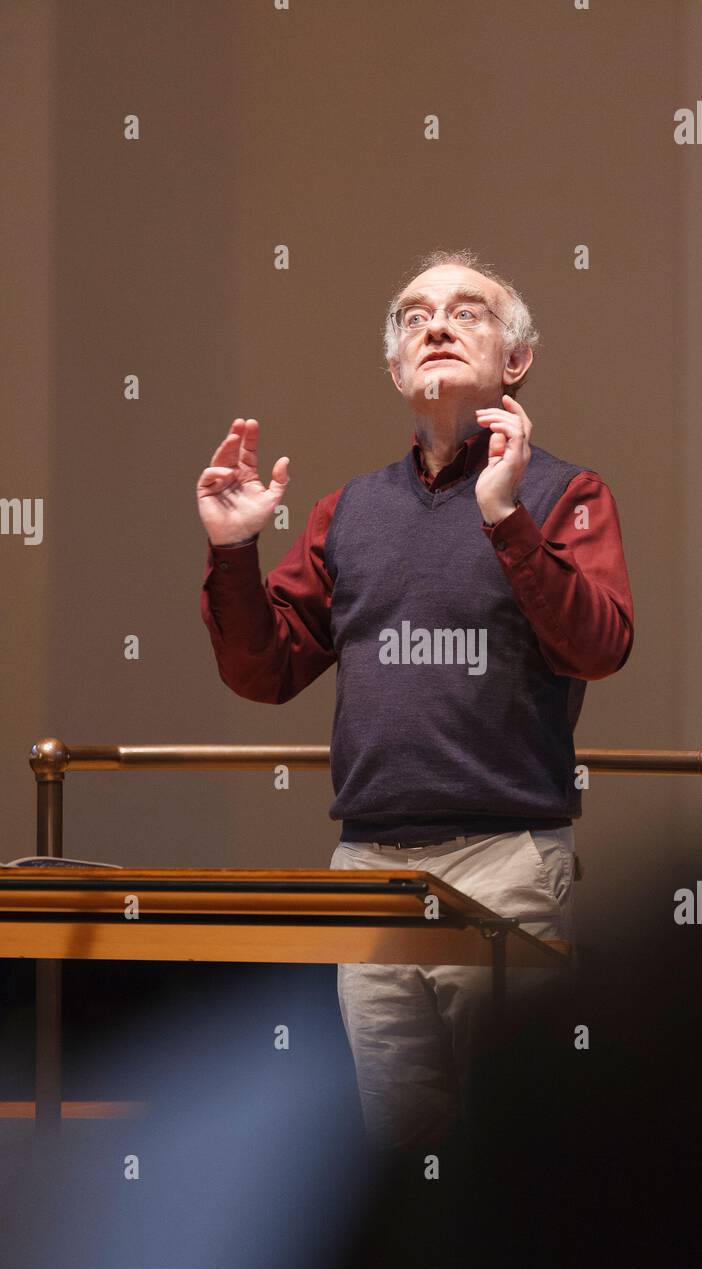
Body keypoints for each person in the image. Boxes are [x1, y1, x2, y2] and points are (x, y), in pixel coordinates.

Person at [197, 249, 634, 1155]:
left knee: (515, 1152)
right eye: (413, 317)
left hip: (504, 861)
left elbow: (599, 646)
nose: (435, 324)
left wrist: (507, 519)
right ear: (396, 369)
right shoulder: (345, 512)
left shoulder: (565, 493)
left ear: (515, 361)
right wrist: (235, 552)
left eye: (466, 312)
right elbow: (264, 672)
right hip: (368, 873)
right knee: (401, 1160)